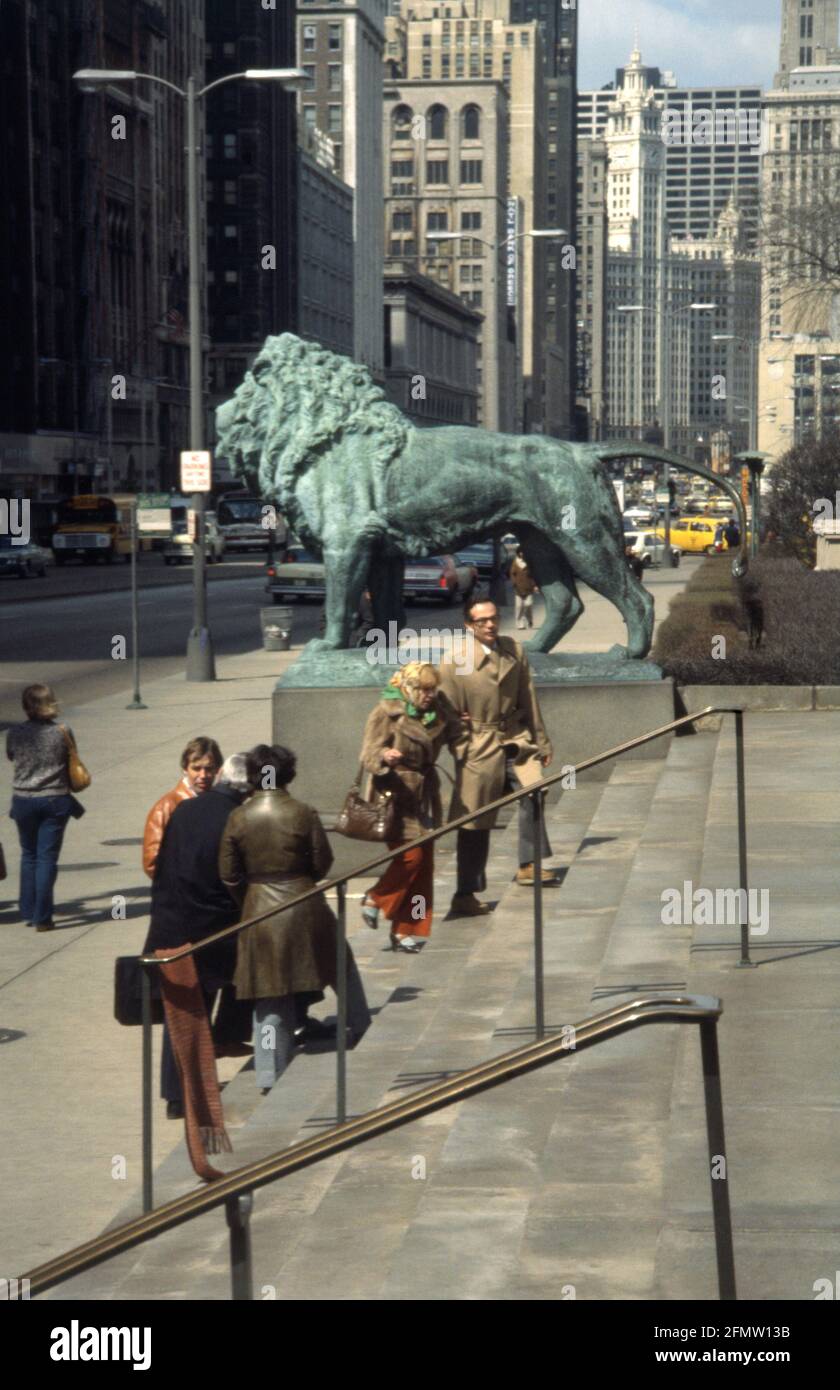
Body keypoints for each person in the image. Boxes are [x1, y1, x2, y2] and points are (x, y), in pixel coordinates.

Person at [219, 744, 370, 1094]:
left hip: (260, 906)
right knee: (339, 964)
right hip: (304, 901)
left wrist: (250, 899)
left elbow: (228, 873)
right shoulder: (303, 812)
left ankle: (269, 1072)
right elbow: (322, 861)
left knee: (270, 994)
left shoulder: (238, 817)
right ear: (288, 774)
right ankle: (360, 1025)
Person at [143, 753, 252, 1119]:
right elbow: (232, 876)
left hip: (171, 924)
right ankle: (226, 1037)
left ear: (221, 775)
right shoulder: (237, 817)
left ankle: (178, 1095)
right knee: (245, 974)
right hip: (211, 930)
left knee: (183, 1011)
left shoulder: (186, 809)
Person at [438, 593, 555, 916]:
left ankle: (529, 864)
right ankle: (466, 893)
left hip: (515, 737)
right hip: (479, 744)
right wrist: (464, 748)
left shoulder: (514, 650)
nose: (490, 624)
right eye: (482, 620)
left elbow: (528, 697)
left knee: (534, 792)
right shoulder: (454, 660)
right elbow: (446, 712)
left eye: (493, 618)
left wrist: (541, 741)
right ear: (468, 625)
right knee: (474, 821)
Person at [358, 662, 464, 952]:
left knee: (424, 865)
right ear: (407, 687)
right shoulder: (387, 711)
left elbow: (458, 736)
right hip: (394, 795)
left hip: (426, 794)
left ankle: (408, 930)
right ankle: (376, 897)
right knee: (410, 859)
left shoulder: (440, 708)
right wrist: (384, 755)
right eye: (423, 689)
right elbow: (367, 755)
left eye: (432, 689)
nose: (429, 695)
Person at [5, 683, 85, 931]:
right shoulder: (62, 731)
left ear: (26, 706)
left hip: (23, 800)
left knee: (28, 855)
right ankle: (43, 917)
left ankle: (28, 911)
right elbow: (70, 758)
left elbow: (11, 756)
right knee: (47, 858)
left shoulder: (15, 732)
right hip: (54, 799)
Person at [142, 737, 222, 879]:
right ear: (185, 769)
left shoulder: (220, 804)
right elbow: (152, 862)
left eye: (209, 769)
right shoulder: (166, 807)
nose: (203, 775)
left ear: (217, 770)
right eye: (196, 768)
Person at [509, 547, 538, 629]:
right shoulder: (515, 562)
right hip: (518, 588)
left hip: (528, 587)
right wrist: (514, 583)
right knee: (519, 606)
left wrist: (535, 585)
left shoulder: (529, 563)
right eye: (521, 552)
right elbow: (512, 574)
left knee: (528, 604)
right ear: (518, 553)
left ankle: (529, 619)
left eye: (524, 552)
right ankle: (520, 623)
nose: (522, 554)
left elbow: (533, 575)